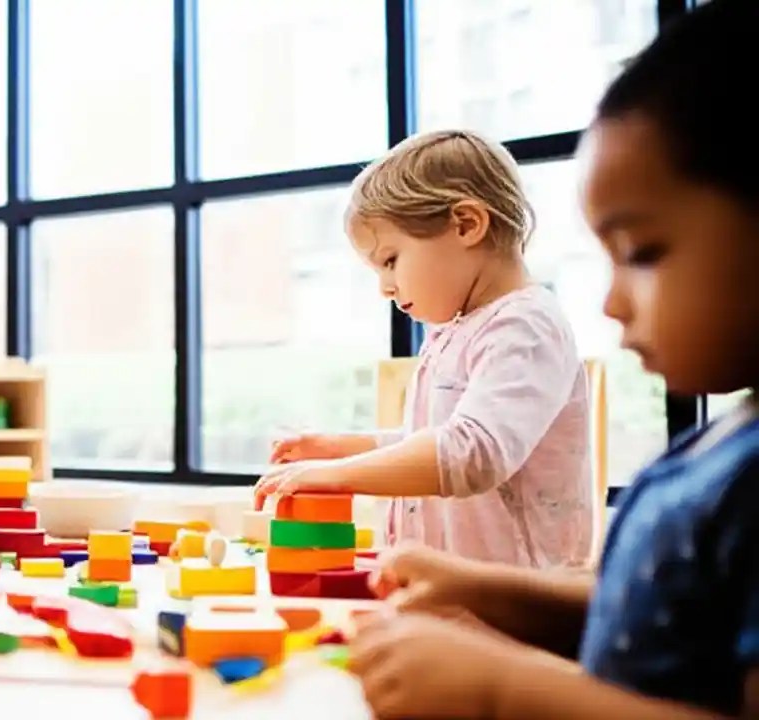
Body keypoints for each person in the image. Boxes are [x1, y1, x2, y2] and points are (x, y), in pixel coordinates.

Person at [349, 0, 759, 716]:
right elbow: (642, 606)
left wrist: (498, 686)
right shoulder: (716, 452)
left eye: (643, 254)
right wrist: (475, 586)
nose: (609, 304)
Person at [255, 128, 593, 568]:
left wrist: (335, 477)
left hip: (514, 602)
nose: (385, 288)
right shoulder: (455, 331)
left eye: (390, 260)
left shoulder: (525, 325)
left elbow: (471, 453)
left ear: (466, 225)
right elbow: (433, 441)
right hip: (452, 594)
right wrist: (339, 446)